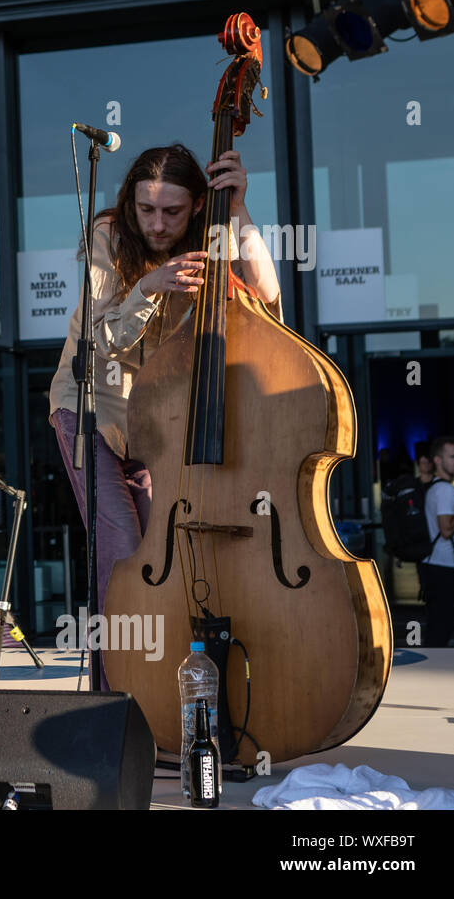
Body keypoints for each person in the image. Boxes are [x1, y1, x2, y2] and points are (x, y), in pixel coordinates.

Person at [47, 145, 280, 668]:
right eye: (144, 209)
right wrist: (148, 288)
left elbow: (266, 296)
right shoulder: (108, 234)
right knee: (124, 550)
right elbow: (102, 342)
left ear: (198, 205)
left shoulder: (212, 232)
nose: (155, 224)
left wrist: (238, 211)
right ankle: (113, 703)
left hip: (154, 421)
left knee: (166, 556)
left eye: (171, 212)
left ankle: (162, 695)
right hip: (89, 411)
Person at [418, 436, 454, 647]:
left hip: (435, 566)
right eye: (452, 456)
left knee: (438, 626)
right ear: (437, 460)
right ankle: (432, 674)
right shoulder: (445, 490)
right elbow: (446, 530)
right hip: (442, 568)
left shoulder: (436, 487)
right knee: (441, 628)